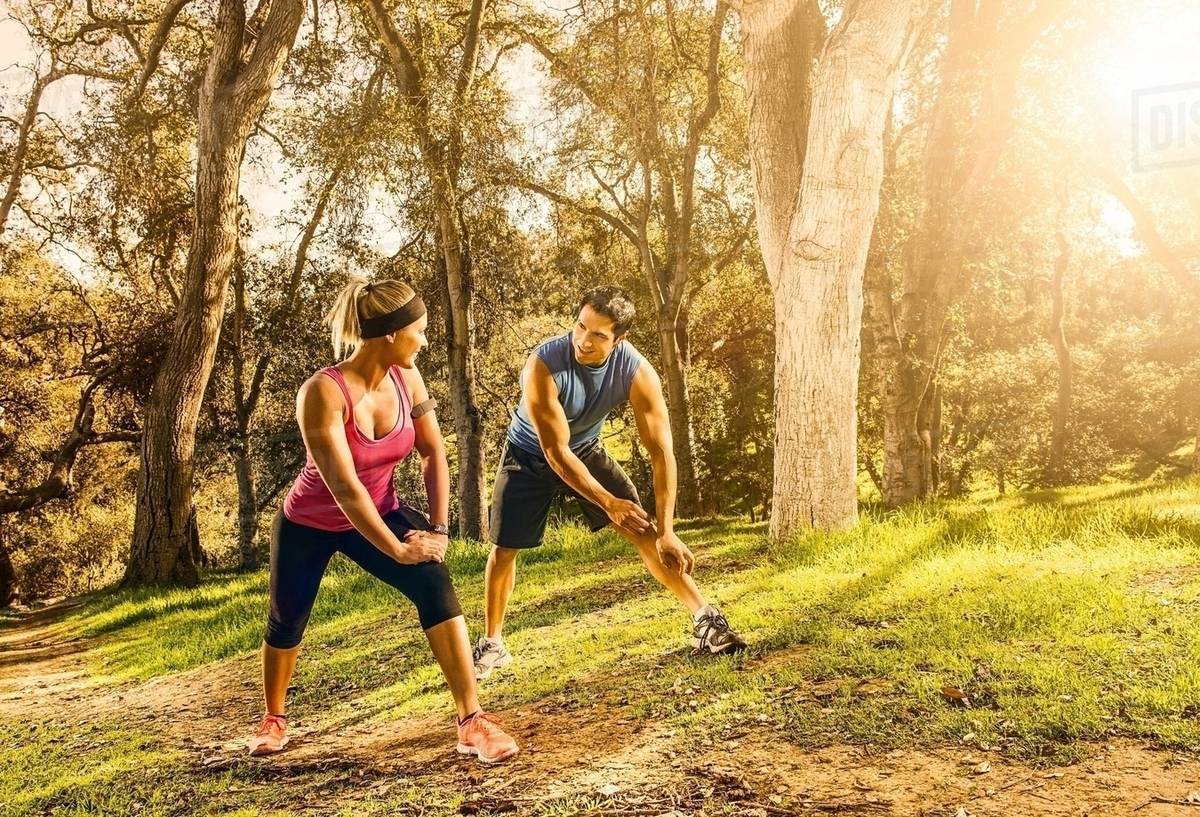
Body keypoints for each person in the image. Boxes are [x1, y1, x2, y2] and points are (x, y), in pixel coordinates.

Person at [249, 277, 518, 764]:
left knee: (435, 586)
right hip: (311, 522)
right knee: (287, 618)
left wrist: (437, 530)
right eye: (420, 330)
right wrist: (395, 549)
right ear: (391, 334)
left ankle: (471, 721)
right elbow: (345, 488)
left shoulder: (407, 377)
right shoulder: (321, 393)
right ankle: (274, 717)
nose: (426, 340)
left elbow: (433, 453)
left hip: (382, 507)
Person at [473, 286, 746, 680]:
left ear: (620, 339)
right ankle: (493, 645)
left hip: (584, 450)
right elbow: (555, 454)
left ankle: (705, 620)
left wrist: (668, 531)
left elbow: (661, 452)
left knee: (645, 531)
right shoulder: (543, 365)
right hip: (529, 455)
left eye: (599, 335)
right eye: (580, 327)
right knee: (504, 550)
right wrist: (607, 502)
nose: (584, 341)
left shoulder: (636, 371)